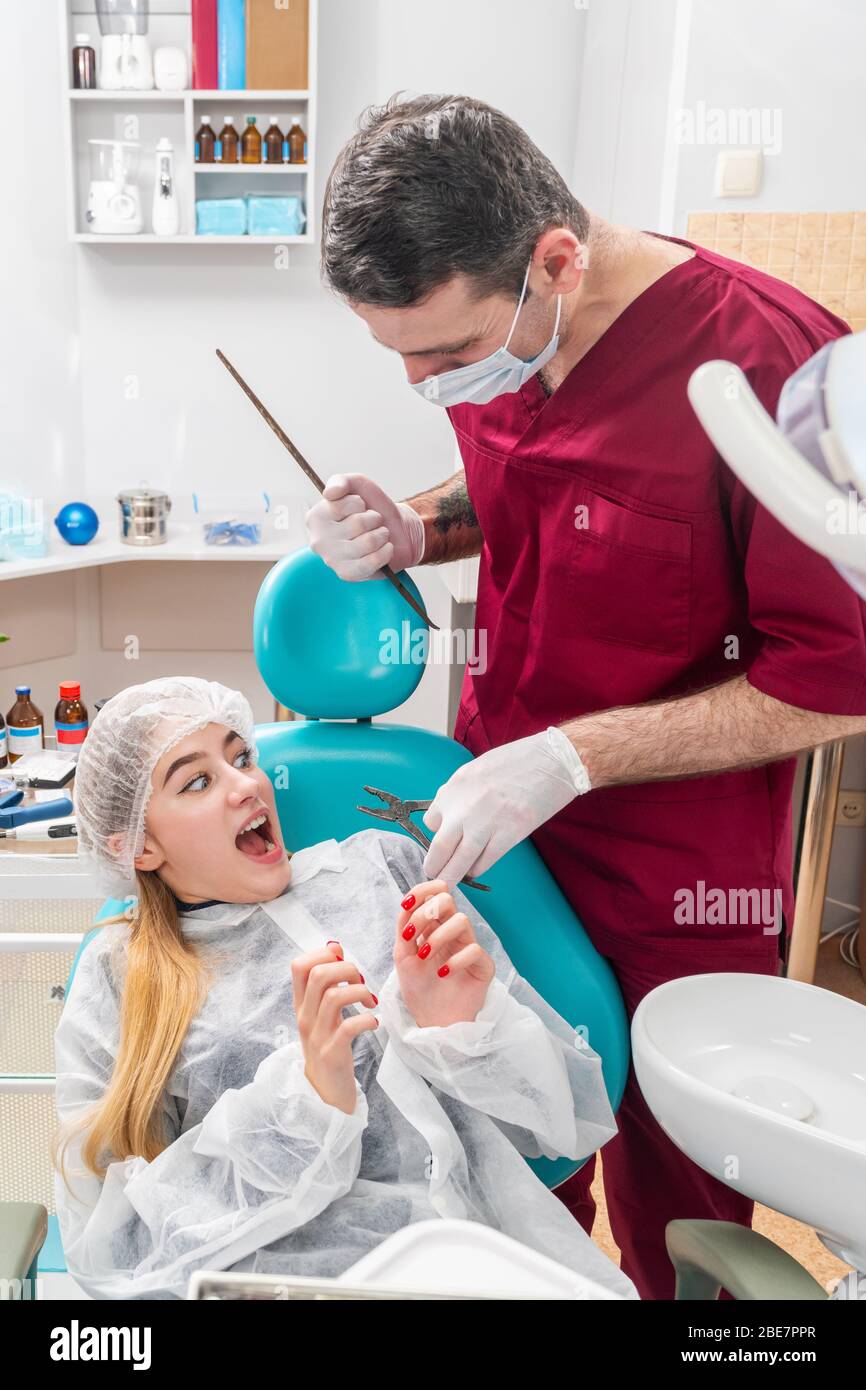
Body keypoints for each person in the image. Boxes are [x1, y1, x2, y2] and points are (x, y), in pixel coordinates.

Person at [308, 92, 866, 1298]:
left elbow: (838, 681)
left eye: (443, 354)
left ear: (553, 259)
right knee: (498, 1142)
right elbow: (526, 497)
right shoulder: (508, 328)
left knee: (678, 1198)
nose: (420, 380)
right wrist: (416, 528)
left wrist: (574, 756)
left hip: (679, 874)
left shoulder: (768, 369)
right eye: (393, 351)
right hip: (491, 835)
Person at [53, 676, 637, 1301]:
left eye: (241, 757)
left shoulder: (386, 871)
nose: (248, 785)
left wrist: (462, 1029)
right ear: (138, 846)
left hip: (471, 1261)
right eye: (197, 781)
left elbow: (559, 1122)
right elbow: (110, 1250)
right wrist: (307, 1104)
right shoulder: (120, 975)